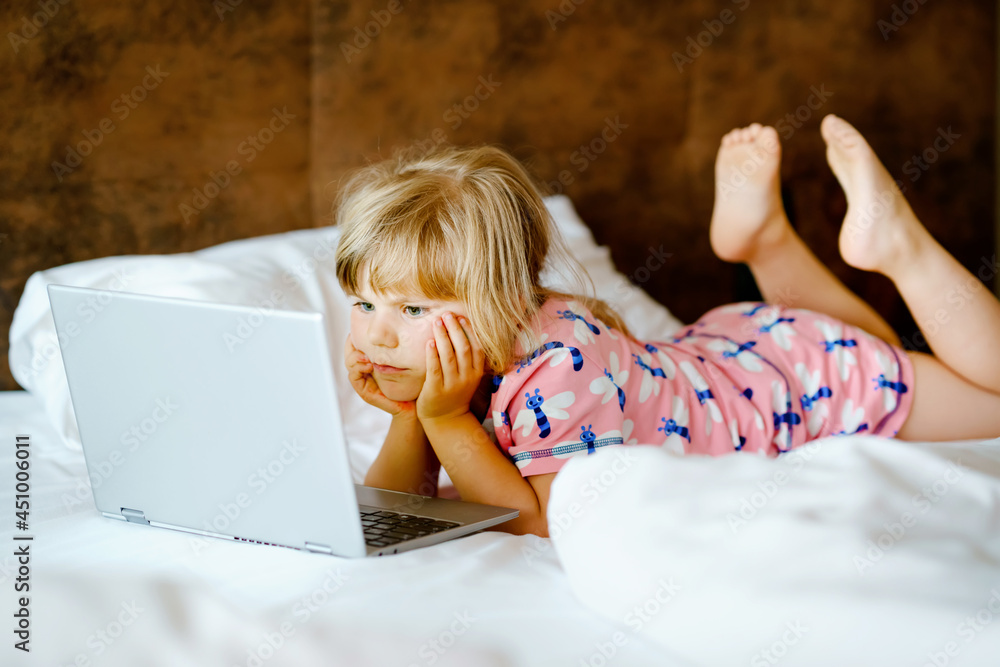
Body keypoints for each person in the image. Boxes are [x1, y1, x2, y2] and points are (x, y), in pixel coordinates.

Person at [335, 114, 1000, 537]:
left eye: (412, 308)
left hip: (795, 385)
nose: (379, 334)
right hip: (742, 353)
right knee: (863, 342)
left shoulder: (559, 369)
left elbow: (540, 521)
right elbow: (396, 509)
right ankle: (767, 242)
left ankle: (902, 250)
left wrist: (447, 422)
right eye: (364, 305)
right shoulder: (453, 358)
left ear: (502, 298)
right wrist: (409, 415)